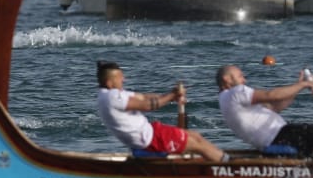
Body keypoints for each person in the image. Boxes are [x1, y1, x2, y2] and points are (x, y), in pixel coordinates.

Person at [215, 65, 313, 160]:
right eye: (240, 76)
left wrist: (297, 87)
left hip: (281, 136)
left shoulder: (227, 99)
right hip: (281, 136)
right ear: (227, 79)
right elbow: (272, 95)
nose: (244, 79)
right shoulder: (235, 93)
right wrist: (304, 84)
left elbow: (275, 107)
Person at [95, 60, 226, 160]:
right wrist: (172, 95)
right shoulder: (112, 97)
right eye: (120, 77)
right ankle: (231, 169)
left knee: (195, 136)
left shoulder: (110, 95)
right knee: (198, 145)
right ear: (109, 83)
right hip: (151, 140)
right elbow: (147, 105)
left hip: (152, 133)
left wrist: (171, 96)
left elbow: (143, 97)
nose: (124, 79)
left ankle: (222, 160)